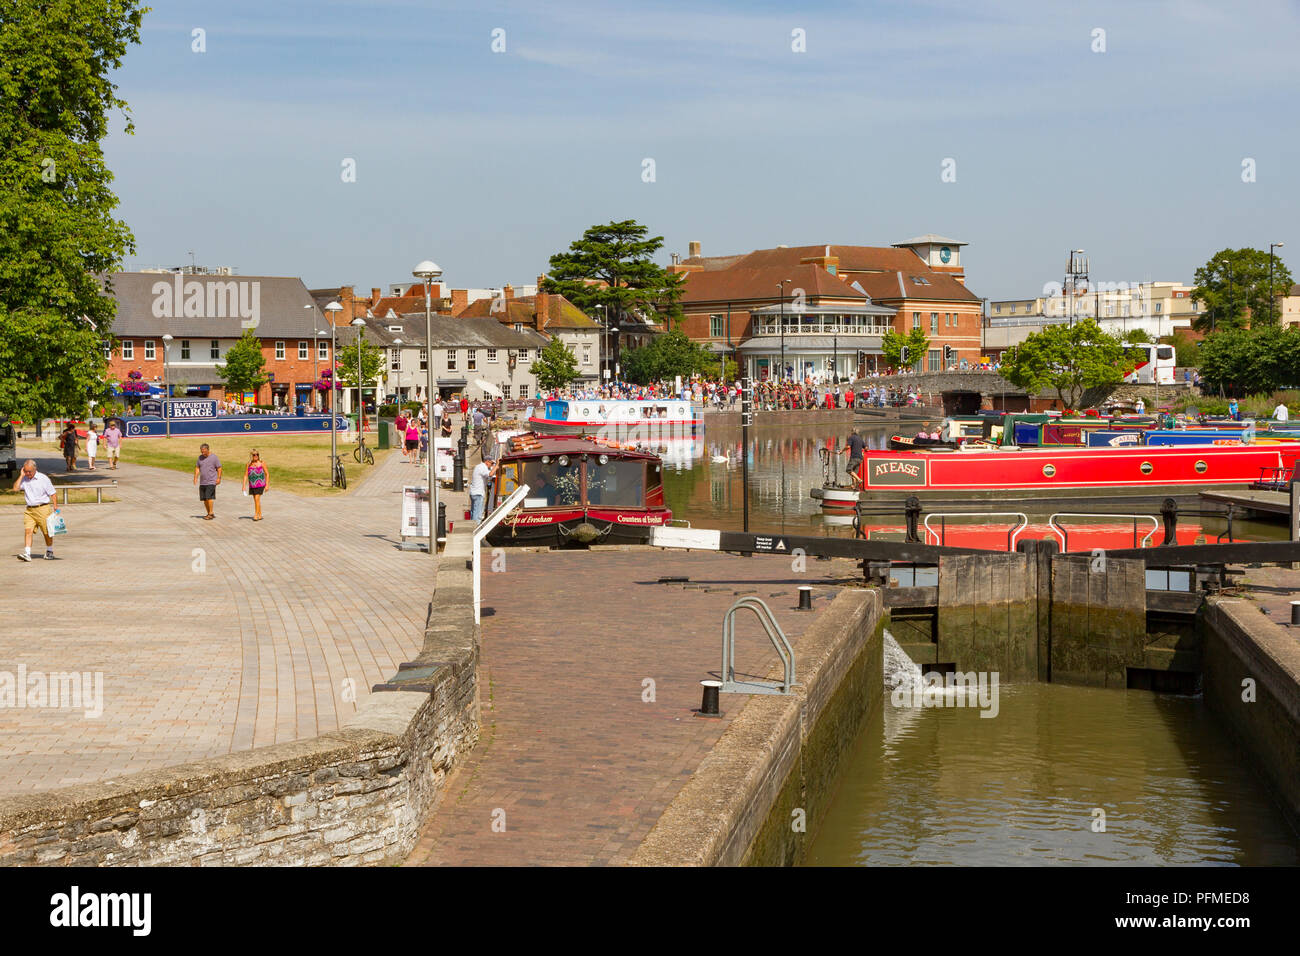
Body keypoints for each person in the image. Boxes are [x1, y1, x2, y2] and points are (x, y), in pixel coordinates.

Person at [13, 459, 57, 562]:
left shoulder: (43, 478)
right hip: (30, 510)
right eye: (26, 471)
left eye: (30, 472)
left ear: (35, 469)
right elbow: (15, 489)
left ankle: (49, 551)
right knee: (28, 531)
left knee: (46, 532)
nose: (28, 474)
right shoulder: (24, 478)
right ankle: (27, 553)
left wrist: (55, 506)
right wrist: (21, 476)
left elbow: (53, 493)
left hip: (43, 508)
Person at [193, 443, 223, 519]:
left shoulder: (214, 457)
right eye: (201, 450)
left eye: (203, 450)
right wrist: (195, 477)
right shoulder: (200, 457)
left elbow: (219, 468)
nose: (202, 452)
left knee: (208, 497)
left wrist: (219, 478)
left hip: (211, 481)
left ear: (207, 449)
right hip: (203, 481)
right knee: (204, 499)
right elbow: (197, 467)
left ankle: (211, 513)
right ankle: (209, 513)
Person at [242, 449, 268, 521]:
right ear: (251, 456)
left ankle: (256, 515)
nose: (256, 456)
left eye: (257, 454)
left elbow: (267, 473)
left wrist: (267, 485)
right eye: (254, 455)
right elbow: (245, 475)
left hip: (260, 484)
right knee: (256, 500)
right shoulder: (249, 464)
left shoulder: (262, 463)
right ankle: (260, 514)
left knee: (257, 499)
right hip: (252, 484)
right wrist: (243, 486)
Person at [469, 454, 497, 521]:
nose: (492, 465)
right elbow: (490, 474)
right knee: (478, 513)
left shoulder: (479, 466)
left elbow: (490, 474)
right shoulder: (482, 467)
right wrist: (497, 465)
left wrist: (492, 467)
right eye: (491, 463)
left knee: (473, 511)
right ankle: (475, 527)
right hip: (478, 493)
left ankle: (472, 525)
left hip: (473, 492)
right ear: (487, 461)